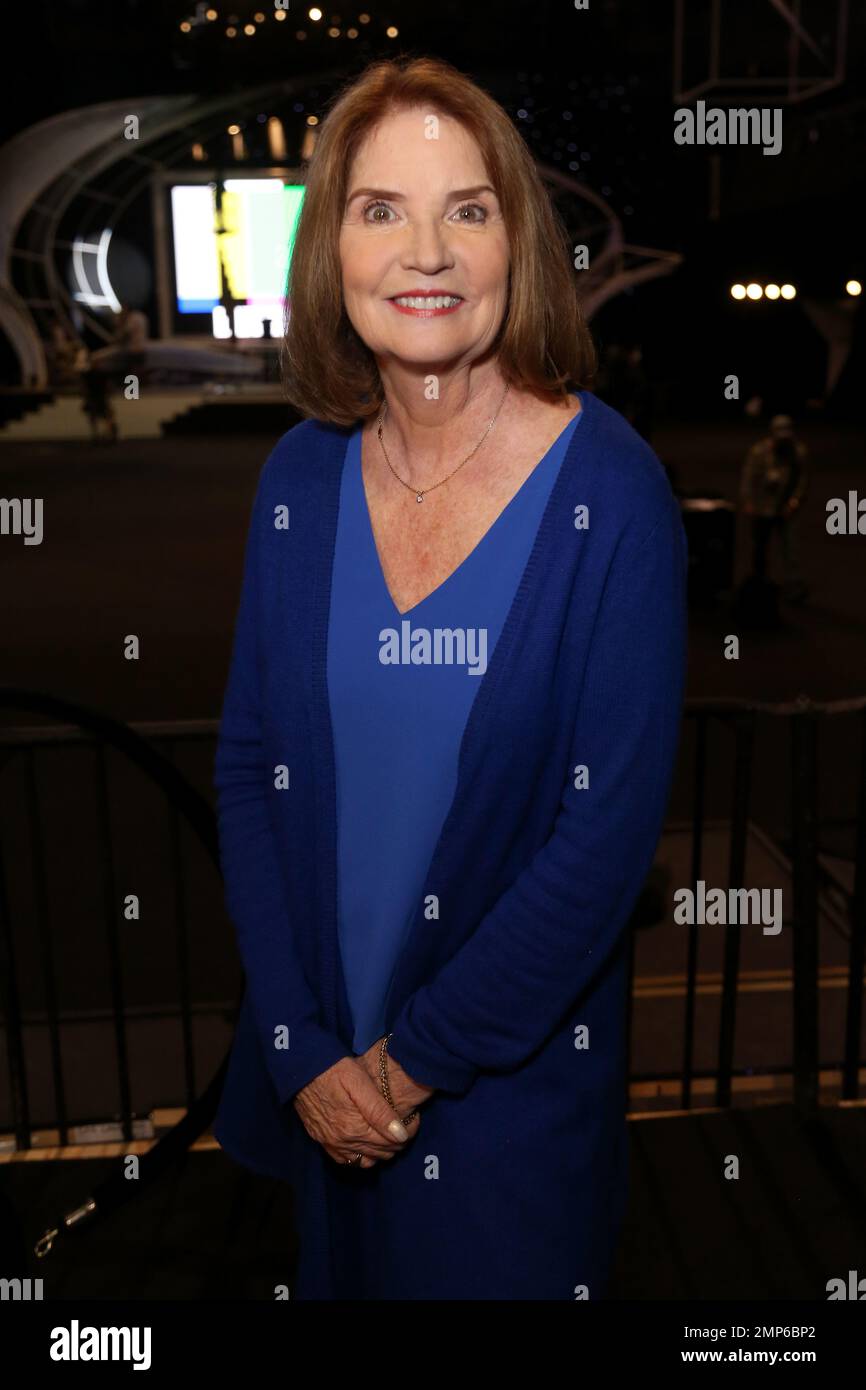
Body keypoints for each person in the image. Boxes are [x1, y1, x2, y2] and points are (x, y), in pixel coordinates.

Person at [212, 56, 687, 1301]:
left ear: (515, 245)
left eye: (466, 209)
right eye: (381, 210)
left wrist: (402, 1069)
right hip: (319, 1096)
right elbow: (245, 767)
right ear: (333, 251)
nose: (424, 252)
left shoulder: (614, 496)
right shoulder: (298, 482)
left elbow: (600, 849)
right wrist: (302, 1052)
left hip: (498, 1117)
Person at [739, 414, 809, 602]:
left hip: (784, 507)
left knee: (790, 547)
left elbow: (802, 481)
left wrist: (794, 502)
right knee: (760, 547)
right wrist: (749, 502)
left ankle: (793, 584)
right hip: (762, 507)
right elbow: (748, 478)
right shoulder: (759, 452)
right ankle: (760, 582)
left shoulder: (798, 453)